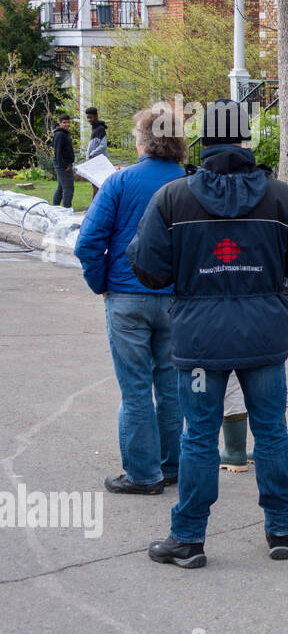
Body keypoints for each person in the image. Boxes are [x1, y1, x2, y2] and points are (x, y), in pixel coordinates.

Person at [127, 98, 288, 568]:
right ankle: (281, 531)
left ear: (203, 139)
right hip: (263, 335)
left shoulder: (173, 198)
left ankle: (189, 539)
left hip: (198, 338)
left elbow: (148, 269)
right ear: (246, 140)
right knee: (271, 431)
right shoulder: (281, 198)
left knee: (198, 436)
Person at [74, 104, 188, 495]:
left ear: (142, 141)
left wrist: (101, 283)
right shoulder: (190, 184)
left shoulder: (120, 184)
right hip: (176, 299)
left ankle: (142, 474)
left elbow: (88, 243)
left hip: (127, 295)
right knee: (171, 386)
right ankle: (171, 464)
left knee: (136, 388)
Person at [51, 112, 75, 207]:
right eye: (64, 122)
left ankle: (55, 208)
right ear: (60, 123)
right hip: (63, 165)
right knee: (68, 188)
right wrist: (65, 166)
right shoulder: (60, 134)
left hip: (64, 164)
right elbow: (58, 152)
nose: (67, 124)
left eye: (68, 122)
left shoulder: (64, 134)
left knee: (61, 187)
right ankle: (67, 210)